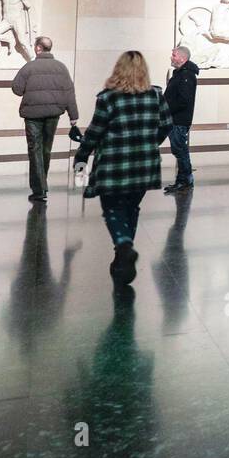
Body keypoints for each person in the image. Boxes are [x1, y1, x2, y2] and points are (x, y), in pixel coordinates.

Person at [72, 51, 173, 285]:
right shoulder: (156, 95)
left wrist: (82, 156)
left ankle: (124, 246)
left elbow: (95, 132)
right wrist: (150, 142)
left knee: (112, 209)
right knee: (131, 207)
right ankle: (122, 256)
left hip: (114, 164)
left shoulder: (108, 98)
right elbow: (167, 124)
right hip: (145, 164)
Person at [10, 36, 80, 203]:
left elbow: (17, 89)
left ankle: (39, 189)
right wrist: (73, 116)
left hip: (33, 115)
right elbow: (69, 92)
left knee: (35, 150)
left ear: (38, 48)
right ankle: (42, 184)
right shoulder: (61, 68)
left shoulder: (29, 67)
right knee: (46, 149)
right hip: (53, 114)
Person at [162, 45, 199, 193]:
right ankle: (183, 180)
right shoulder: (180, 74)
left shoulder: (186, 76)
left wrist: (167, 110)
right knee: (179, 150)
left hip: (178, 120)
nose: (171, 57)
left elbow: (184, 100)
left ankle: (185, 180)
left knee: (180, 150)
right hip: (174, 119)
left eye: (174, 55)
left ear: (182, 58)